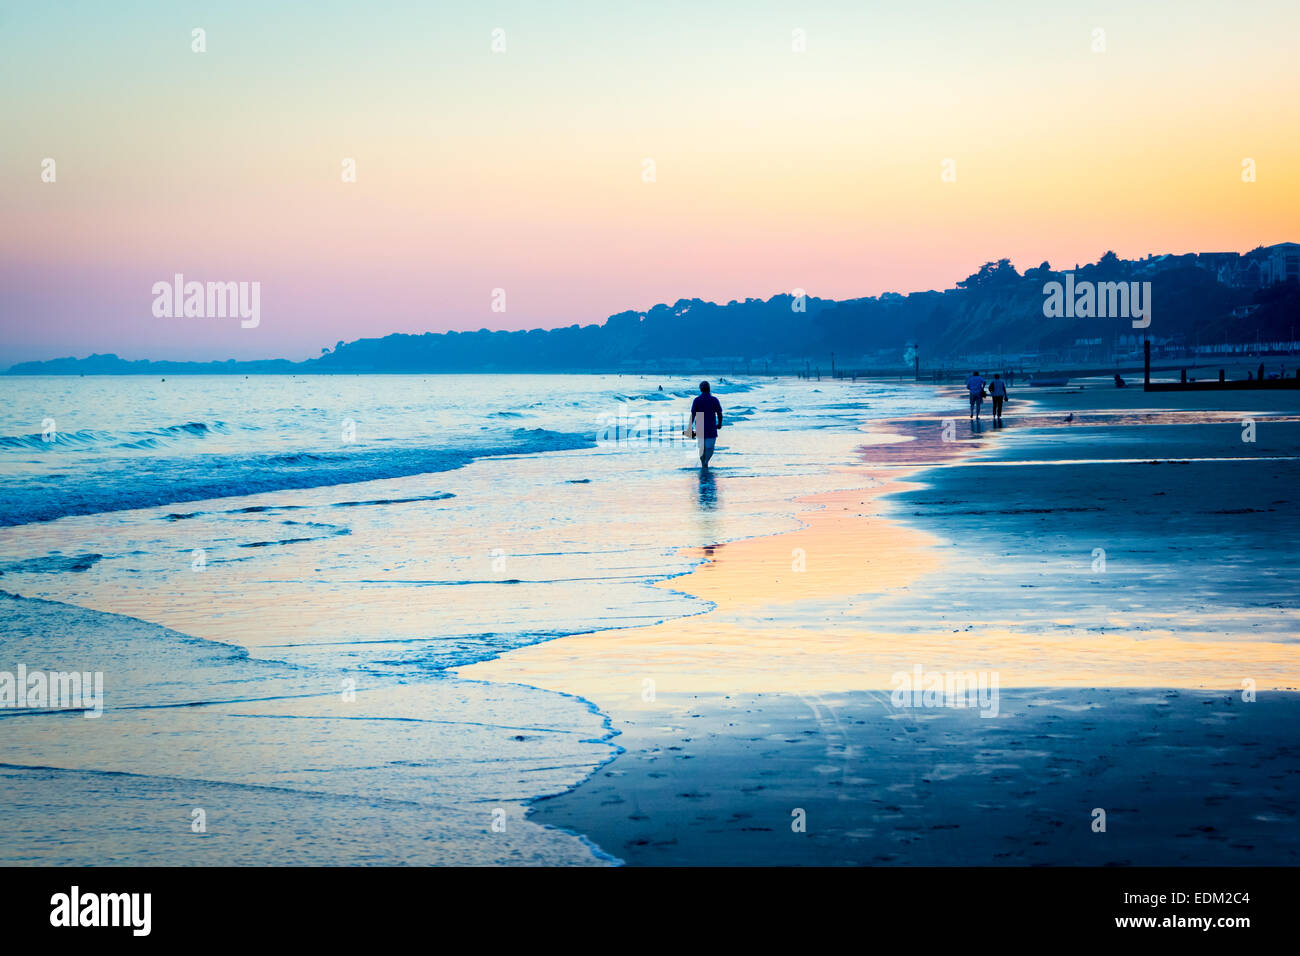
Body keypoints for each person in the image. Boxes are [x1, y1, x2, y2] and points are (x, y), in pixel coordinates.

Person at [689, 381, 723, 468]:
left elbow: (693, 414)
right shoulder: (714, 400)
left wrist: (690, 427)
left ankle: (703, 463)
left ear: (700, 389)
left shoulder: (696, 400)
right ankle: (706, 462)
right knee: (710, 447)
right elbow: (719, 413)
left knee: (701, 447)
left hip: (700, 423)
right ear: (709, 388)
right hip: (711, 424)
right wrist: (719, 423)